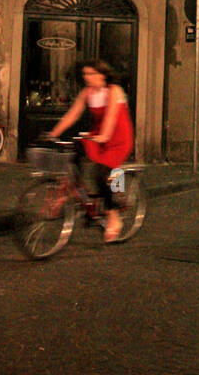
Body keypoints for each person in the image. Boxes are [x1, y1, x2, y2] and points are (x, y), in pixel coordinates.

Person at [47, 60, 134, 243]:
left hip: (117, 138)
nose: (88, 78)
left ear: (102, 75)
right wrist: (54, 132)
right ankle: (76, 191)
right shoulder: (87, 92)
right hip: (98, 134)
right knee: (74, 153)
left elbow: (111, 116)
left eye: (92, 74)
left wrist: (103, 137)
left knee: (100, 173)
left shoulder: (113, 91)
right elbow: (73, 113)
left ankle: (113, 217)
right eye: (85, 74)